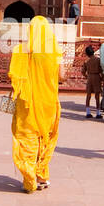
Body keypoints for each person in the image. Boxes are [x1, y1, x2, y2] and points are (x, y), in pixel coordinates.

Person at [8, 15, 63, 192]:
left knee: (28, 138)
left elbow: (14, 75)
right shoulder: (55, 50)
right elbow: (62, 76)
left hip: (27, 103)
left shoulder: (20, 49)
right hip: (48, 102)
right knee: (44, 138)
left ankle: (29, 177)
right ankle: (41, 176)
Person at [82, 44, 104, 118]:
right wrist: (102, 79)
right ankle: (98, 113)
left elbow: (83, 71)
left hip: (90, 77)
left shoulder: (86, 61)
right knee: (97, 95)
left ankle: (88, 112)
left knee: (88, 95)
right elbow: (101, 70)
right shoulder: (98, 60)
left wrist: (86, 76)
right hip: (96, 76)